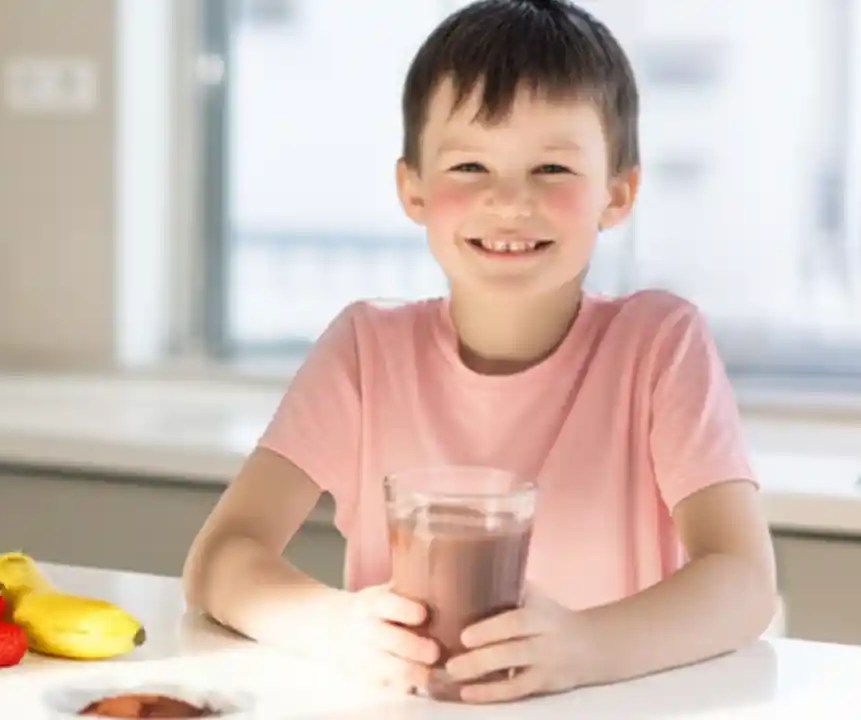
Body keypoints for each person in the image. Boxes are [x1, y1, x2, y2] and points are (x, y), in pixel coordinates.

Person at [182, 0, 778, 705]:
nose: (509, 202)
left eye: (552, 168)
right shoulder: (366, 351)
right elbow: (220, 559)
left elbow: (743, 582)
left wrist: (587, 646)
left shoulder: (658, 344)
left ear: (618, 194)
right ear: (413, 189)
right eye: (470, 165)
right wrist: (335, 627)